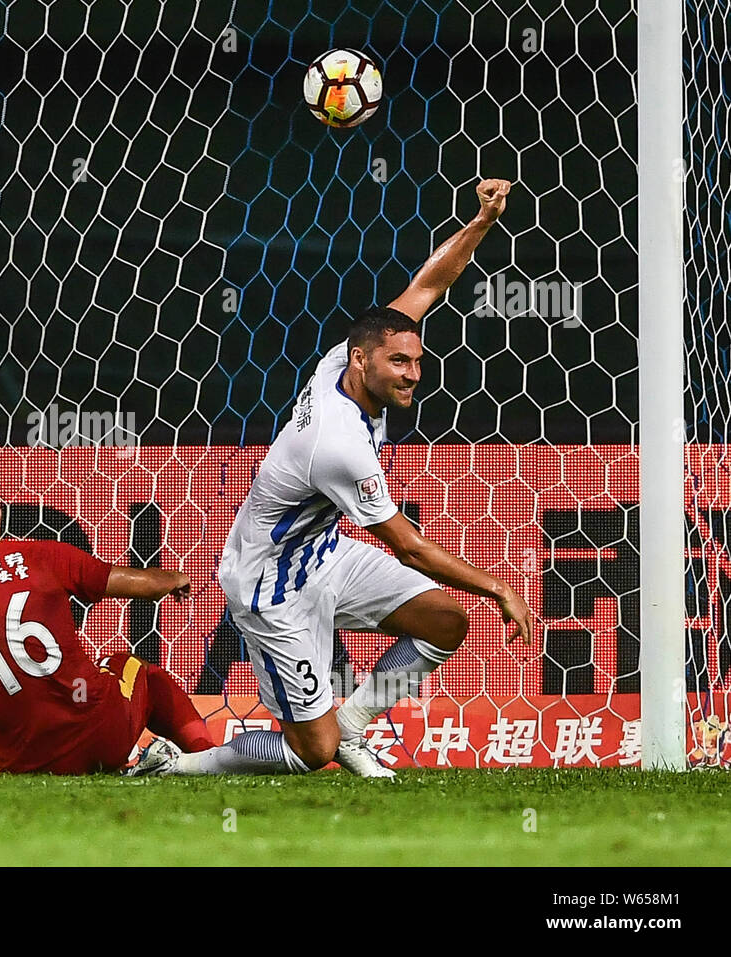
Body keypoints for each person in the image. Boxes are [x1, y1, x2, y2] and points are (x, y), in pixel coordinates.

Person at [137, 179, 533, 779]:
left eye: (417, 361)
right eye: (399, 362)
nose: (413, 374)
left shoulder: (338, 362)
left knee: (446, 621)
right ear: (362, 360)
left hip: (322, 553)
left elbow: (430, 283)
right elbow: (409, 545)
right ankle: (179, 765)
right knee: (308, 753)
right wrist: (499, 586)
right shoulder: (338, 445)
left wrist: (482, 219)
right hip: (272, 585)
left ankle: (352, 730)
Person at [0, 466, 215, 774]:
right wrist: (173, 578)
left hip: (26, 763)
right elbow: (138, 584)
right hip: (105, 738)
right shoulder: (43, 555)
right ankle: (205, 755)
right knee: (139, 670)